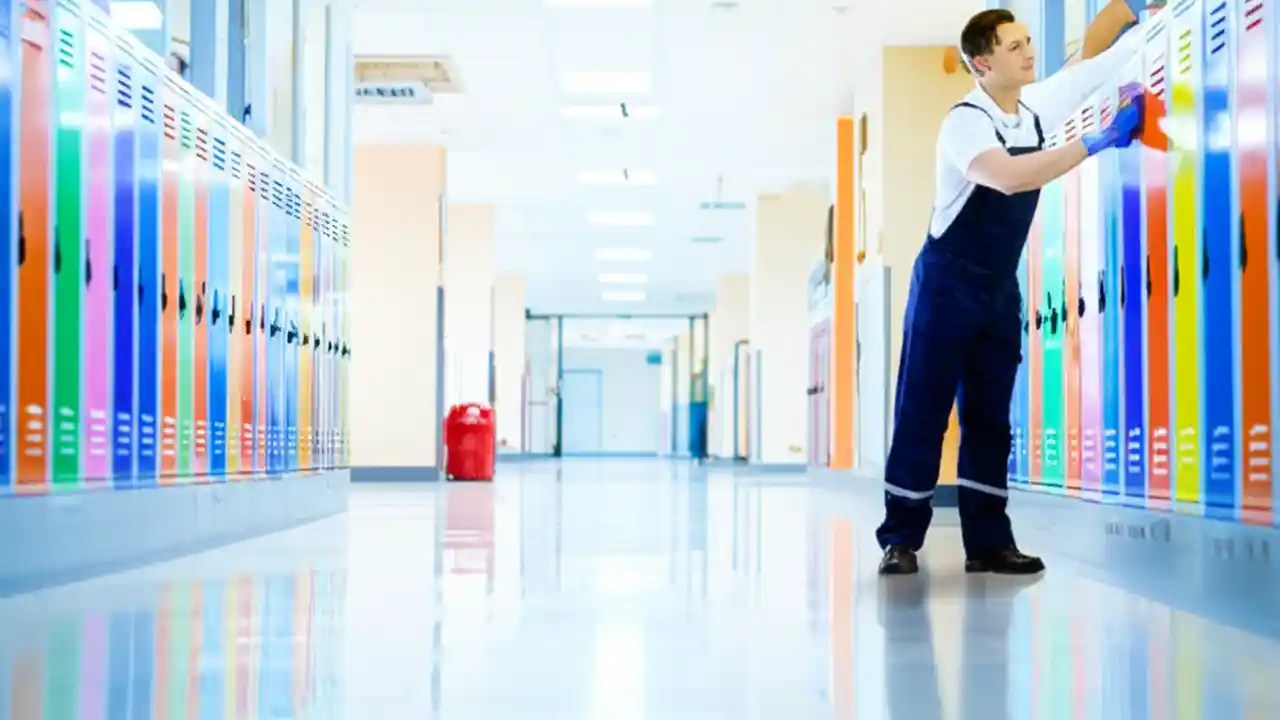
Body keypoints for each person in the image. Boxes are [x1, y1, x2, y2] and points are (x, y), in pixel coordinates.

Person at [876, 2, 1150, 576]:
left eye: (1029, 41)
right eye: (1015, 46)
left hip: (999, 287)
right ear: (981, 63)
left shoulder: (1035, 109)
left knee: (990, 416)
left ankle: (988, 542)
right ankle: (900, 540)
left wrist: (1152, 19)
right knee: (923, 409)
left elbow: (1095, 70)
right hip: (946, 283)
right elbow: (1007, 176)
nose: (1029, 52)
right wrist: (1094, 144)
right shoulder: (966, 122)